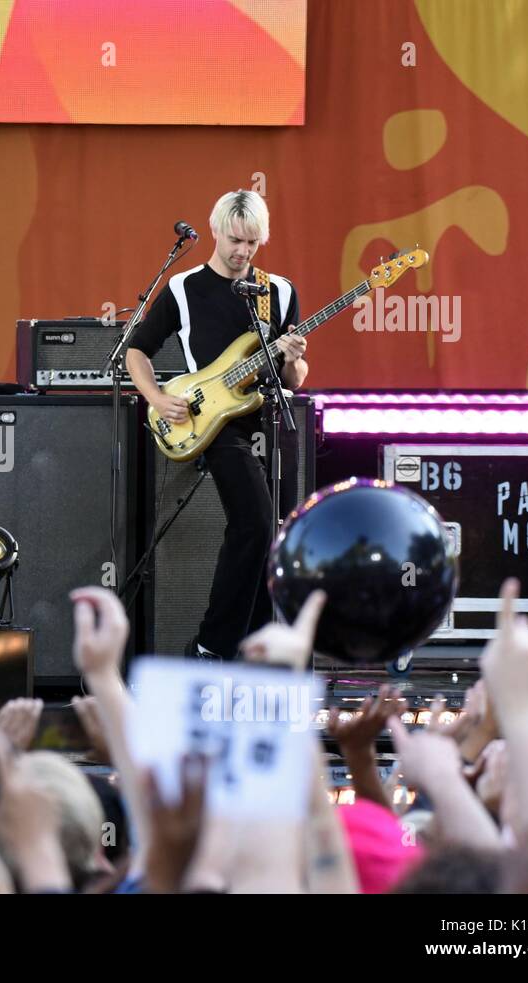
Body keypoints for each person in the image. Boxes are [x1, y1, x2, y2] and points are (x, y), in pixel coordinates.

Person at [125, 190, 307, 659]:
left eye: (252, 243)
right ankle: (212, 644)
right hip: (213, 423)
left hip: (267, 417)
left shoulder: (278, 292)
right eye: (235, 240)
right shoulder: (185, 289)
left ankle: (260, 650)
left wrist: (292, 359)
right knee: (253, 522)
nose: (242, 252)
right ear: (216, 230)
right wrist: (158, 398)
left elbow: (295, 378)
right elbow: (136, 351)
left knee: (274, 534)